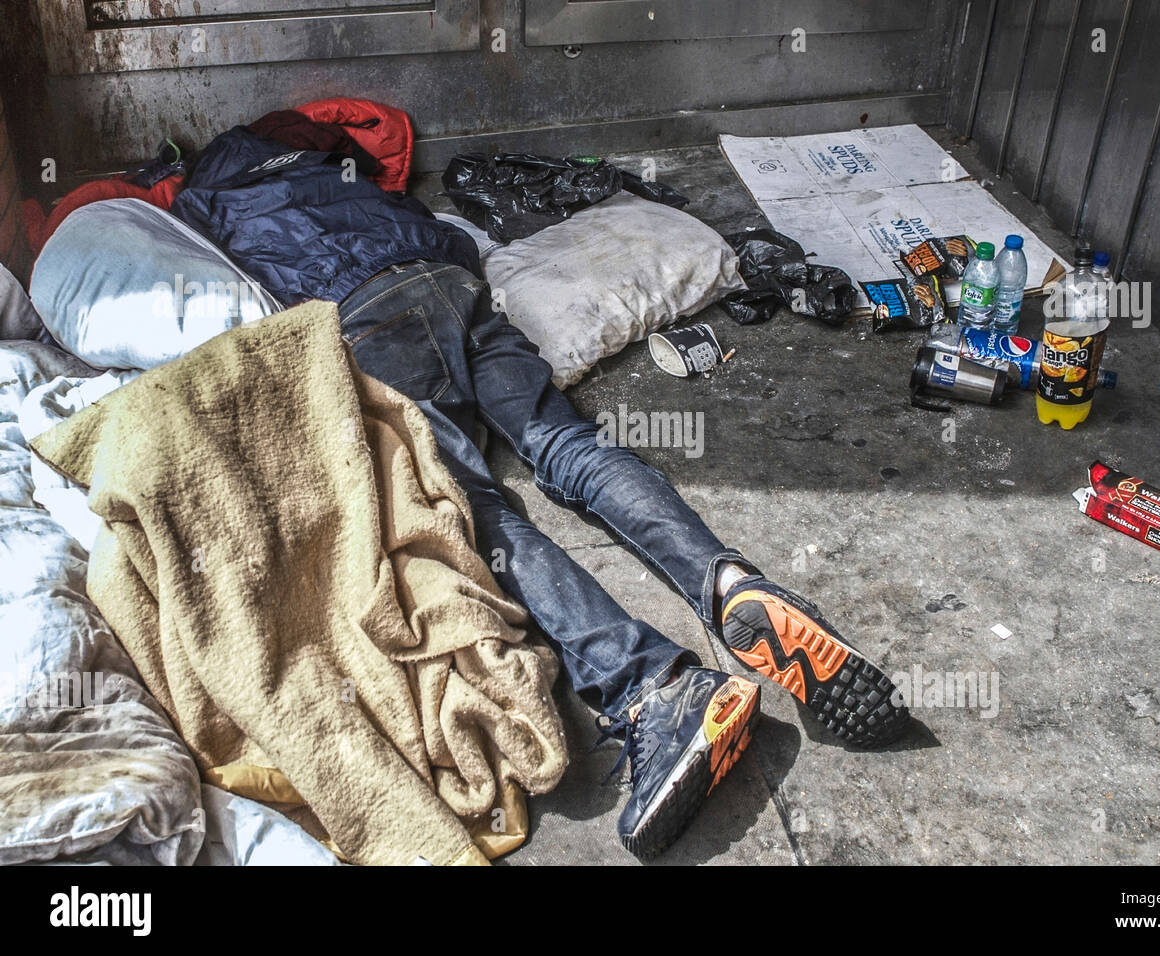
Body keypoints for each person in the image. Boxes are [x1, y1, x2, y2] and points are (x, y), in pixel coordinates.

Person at [172, 110, 910, 858]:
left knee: (477, 513)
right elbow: (413, 195)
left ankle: (652, 686)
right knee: (568, 445)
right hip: (449, 282)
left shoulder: (206, 198)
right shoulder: (330, 171)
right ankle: (729, 583)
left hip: (362, 322)